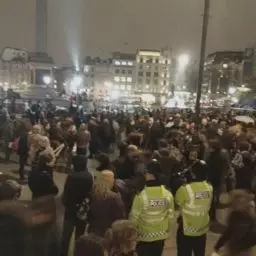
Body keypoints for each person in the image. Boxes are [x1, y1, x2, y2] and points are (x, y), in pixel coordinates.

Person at [129, 160, 174, 256]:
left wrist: (132, 236)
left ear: (150, 175)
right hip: (161, 236)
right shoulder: (168, 194)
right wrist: (168, 232)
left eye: (146, 173)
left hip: (144, 237)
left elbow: (134, 219)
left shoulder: (141, 196)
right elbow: (171, 217)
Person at [175, 145, 213, 256]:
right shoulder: (209, 188)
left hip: (186, 229)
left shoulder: (185, 189)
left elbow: (178, 203)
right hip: (202, 229)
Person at [60, 153, 93, 256]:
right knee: (79, 235)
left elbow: (66, 192)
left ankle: (63, 253)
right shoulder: (89, 176)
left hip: (70, 209)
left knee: (66, 235)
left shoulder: (72, 176)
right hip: (83, 209)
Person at [213, 190, 256, 256]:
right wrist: (218, 245)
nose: (240, 204)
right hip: (235, 248)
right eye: (237, 202)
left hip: (243, 249)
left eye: (242, 202)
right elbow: (228, 231)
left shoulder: (249, 217)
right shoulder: (235, 215)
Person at [88, 170, 125, 236]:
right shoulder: (114, 197)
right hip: (107, 232)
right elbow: (120, 217)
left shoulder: (93, 194)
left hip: (93, 229)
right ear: (111, 181)